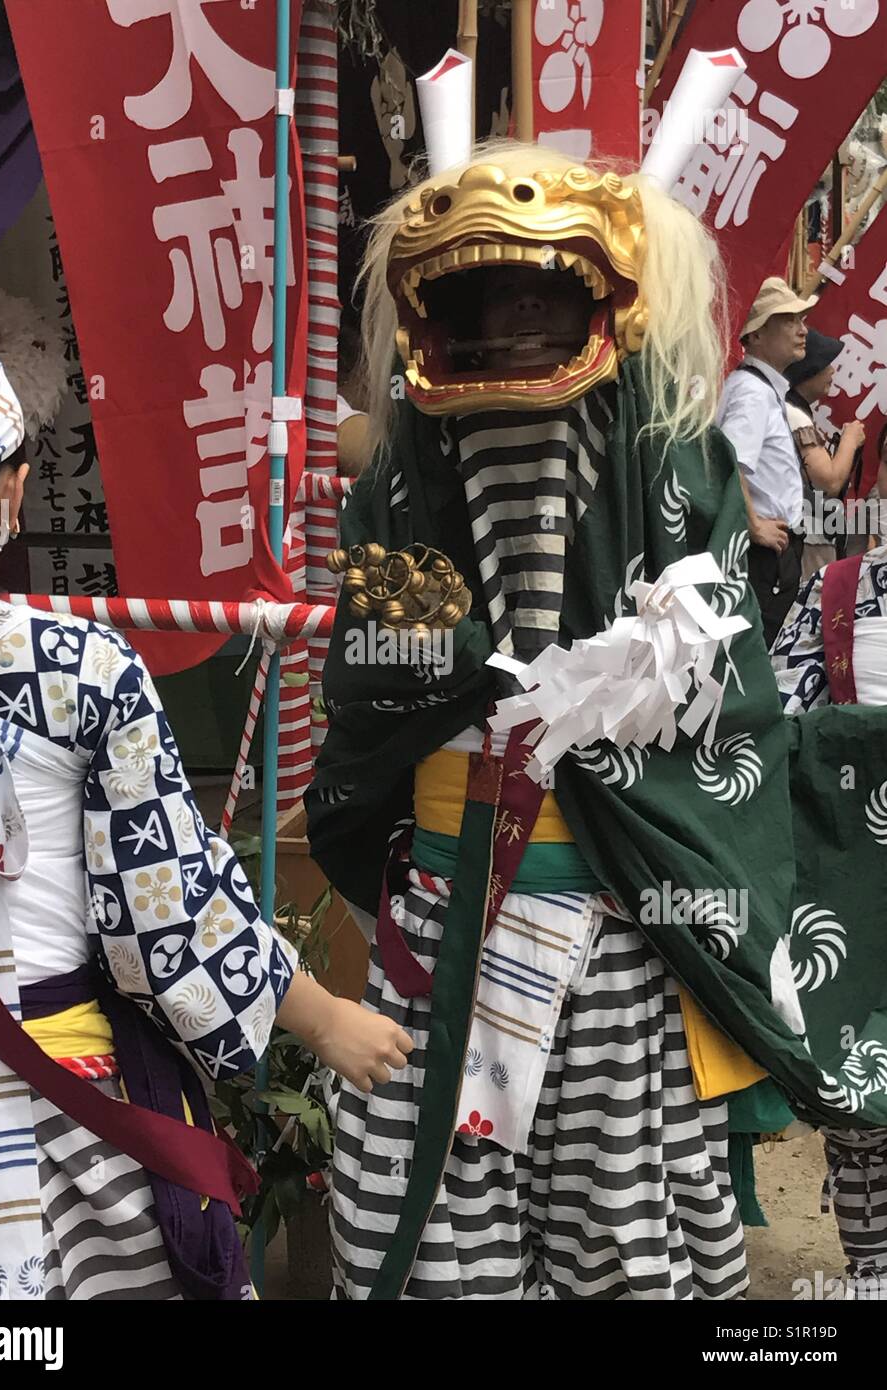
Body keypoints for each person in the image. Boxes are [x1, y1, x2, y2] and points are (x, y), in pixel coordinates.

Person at [306, 141, 887, 1302]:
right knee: (434, 1241)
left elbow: (728, 701)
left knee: (620, 1244)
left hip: (623, 927)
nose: (516, 322)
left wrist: (650, 659)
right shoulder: (403, 466)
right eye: (488, 298)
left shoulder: (676, 456)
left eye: (541, 296)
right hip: (448, 915)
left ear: (604, 302)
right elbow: (365, 688)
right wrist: (470, 667)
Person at [0, 343, 411, 1302]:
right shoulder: (76, 666)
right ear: (12, 494)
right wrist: (323, 1016)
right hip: (53, 1126)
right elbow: (163, 917)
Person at [772, 543, 887, 1299]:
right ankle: (871, 1271)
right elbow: (767, 728)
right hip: (855, 903)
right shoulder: (835, 590)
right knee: (861, 1104)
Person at [716, 277, 817, 646]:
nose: (801, 329)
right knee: (759, 645)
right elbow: (731, 461)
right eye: (788, 320)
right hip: (760, 550)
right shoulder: (752, 392)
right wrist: (754, 524)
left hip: (770, 545)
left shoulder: (761, 389)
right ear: (756, 334)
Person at [783, 328, 865, 579]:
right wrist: (849, 441)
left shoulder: (793, 410)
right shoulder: (793, 413)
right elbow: (829, 481)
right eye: (826, 364)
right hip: (807, 537)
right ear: (807, 372)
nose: (832, 371)